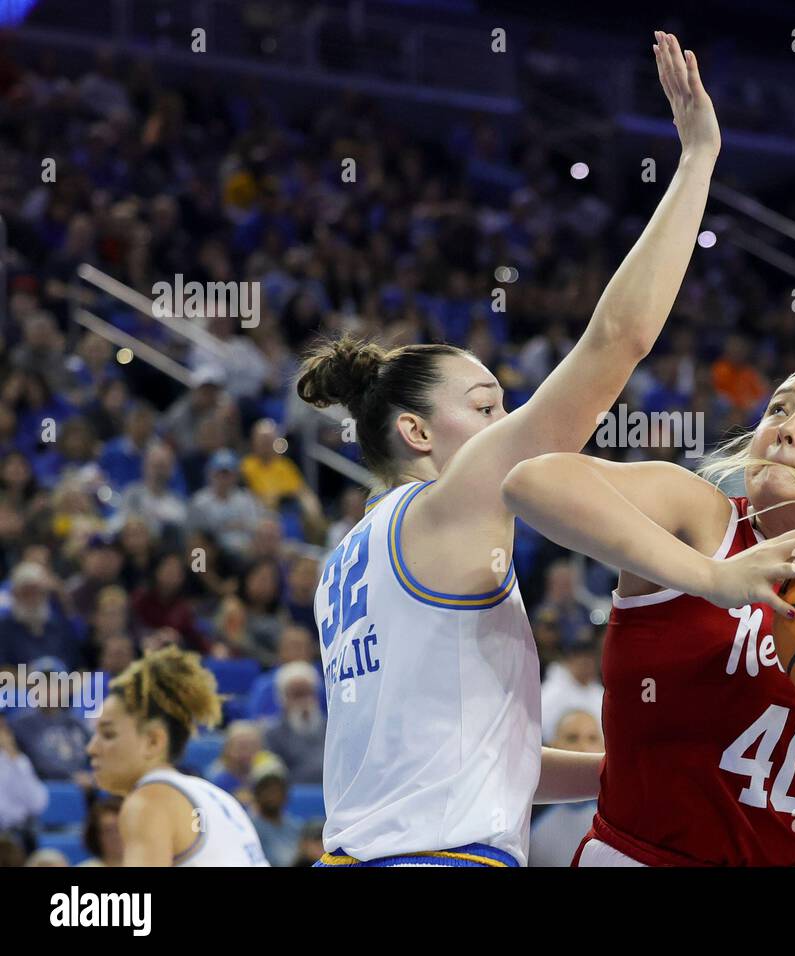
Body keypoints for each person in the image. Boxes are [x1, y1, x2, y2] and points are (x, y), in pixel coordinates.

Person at [297, 31, 721, 868]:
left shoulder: (345, 561)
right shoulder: (451, 505)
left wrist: (633, 772)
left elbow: (483, 767)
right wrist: (698, 157)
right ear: (418, 433)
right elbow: (619, 341)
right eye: (488, 406)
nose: (510, 421)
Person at [504, 361, 795, 865]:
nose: (786, 428)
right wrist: (710, 576)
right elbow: (531, 482)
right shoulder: (701, 517)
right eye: (778, 409)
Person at [85, 648, 268, 865]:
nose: (92, 748)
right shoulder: (217, 797)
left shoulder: (148, 801)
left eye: (108, 734)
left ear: (153, 741)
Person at [528, 710, 604, 867]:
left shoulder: (619, 814)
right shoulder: (529, 811)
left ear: (604, 746)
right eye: (572, 738)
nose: (583, 747)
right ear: (554, 747)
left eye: (592, 739)